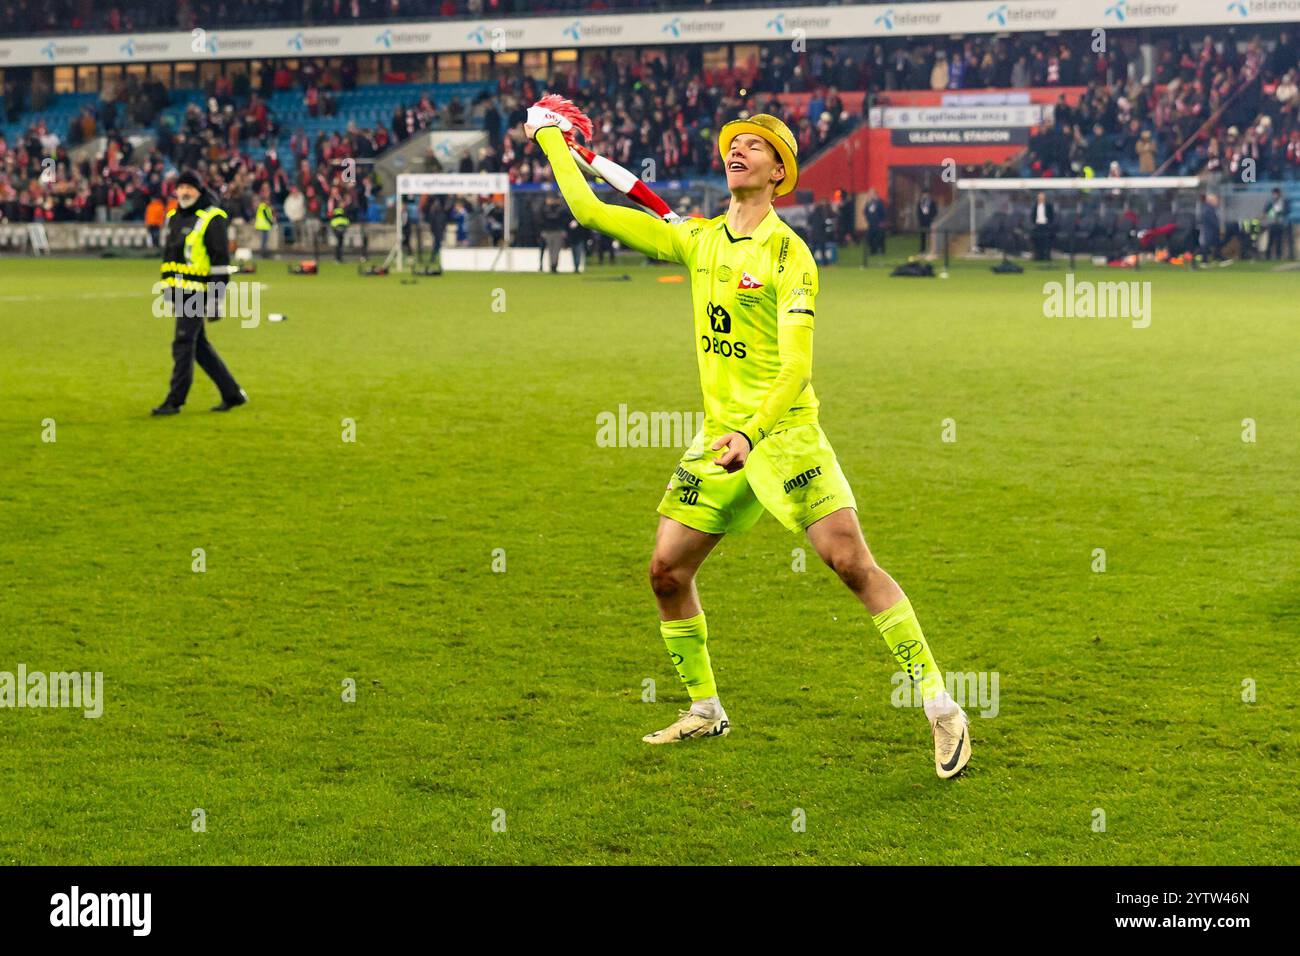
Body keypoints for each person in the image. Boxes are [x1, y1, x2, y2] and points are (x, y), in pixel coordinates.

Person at [528, 107, 971, 778]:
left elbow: (796, 370)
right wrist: (550, 138)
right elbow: (589, 211)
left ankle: (943, 712)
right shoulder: (698, 242)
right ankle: (705, 710)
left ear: (778, 170)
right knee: (666, 573)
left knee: (850, 564)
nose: (737, 151)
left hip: (783, 433)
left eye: (753, 146)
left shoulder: (789, 255)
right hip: (719, 442)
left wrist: (752, 431)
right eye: (731, 143)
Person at [151, 170, 247, 416]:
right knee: (200, 347)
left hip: (199, 293)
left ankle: (174, 401)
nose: (183, 192)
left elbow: (220, 263)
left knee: (183, 344)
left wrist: (216, 300)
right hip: (180, 292)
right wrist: (168, 289)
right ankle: (232, 394)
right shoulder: (173, 217)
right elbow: (170, 258)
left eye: (189, 188)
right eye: (180, 187)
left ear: (199, 190)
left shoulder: (212, 217)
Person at [1263, 188, 1291, 261]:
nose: (1275, 195)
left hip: (1280, 224)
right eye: (1274, 194)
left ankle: (1279, 257)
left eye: (1276, 193)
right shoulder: (1270, 203)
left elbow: (1287, 211)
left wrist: (1280, 213)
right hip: (1272, 224)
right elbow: (1265, 211)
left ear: (1279, 194)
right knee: (1270, 241)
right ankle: (1267, 257)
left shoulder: (1284, 202)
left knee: (1279, 241)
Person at [1030, 191, 1055, 261]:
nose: (1041, 199)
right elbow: (1032, 217)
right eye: (1039, 197)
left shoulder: (1049, 206)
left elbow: (1052, 217)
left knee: (1048, 238)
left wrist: (1049, 224)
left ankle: (1047, 256)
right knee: (1035, 238)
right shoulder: (1035, 206)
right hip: (1037, 226)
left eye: (1042, 197)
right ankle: (1038, 256)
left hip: (1046, 226)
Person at [864, 189, 887, 255]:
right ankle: (873, 250)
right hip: (871, 223)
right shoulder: (868, 203)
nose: (870, 195)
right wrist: (868, 218)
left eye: (872, 194)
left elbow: (883, 212)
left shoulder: (879, 202)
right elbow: (865, 211)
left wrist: (882, 222)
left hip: (879, 223)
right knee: (871, 237)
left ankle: (881, 250)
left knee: (879, 237)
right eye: (869, 194)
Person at [254, 188, 275, 255]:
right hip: (263, 225)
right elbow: (266, 216)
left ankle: (264, 251)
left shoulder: (265, 207)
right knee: (264, 239)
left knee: (264, 239)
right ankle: (263, 252)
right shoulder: (263, 207)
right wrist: (271, 222)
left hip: (264, 225)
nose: (268, 202)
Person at [916, 189, 936, 255]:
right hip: (922, 222)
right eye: (924, 193)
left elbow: (935, 211)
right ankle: (922, 250)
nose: (925, 195)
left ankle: (930, 250)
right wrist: (920, 220)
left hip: (929, 222)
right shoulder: (920, 203)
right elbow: (918, 212)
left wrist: (931, 218)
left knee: (930, 237)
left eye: (927, 193)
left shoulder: (932, 202)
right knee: (923, 237)